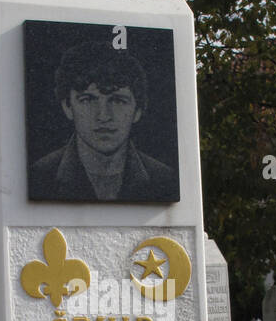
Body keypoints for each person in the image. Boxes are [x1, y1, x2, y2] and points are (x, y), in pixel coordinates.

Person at [28, 42, 178, 202]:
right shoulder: (39, 176)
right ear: (67, 106)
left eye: (118, 101)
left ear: (138, 110)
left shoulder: (164, 178)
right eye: (88, 100)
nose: (104, 116)